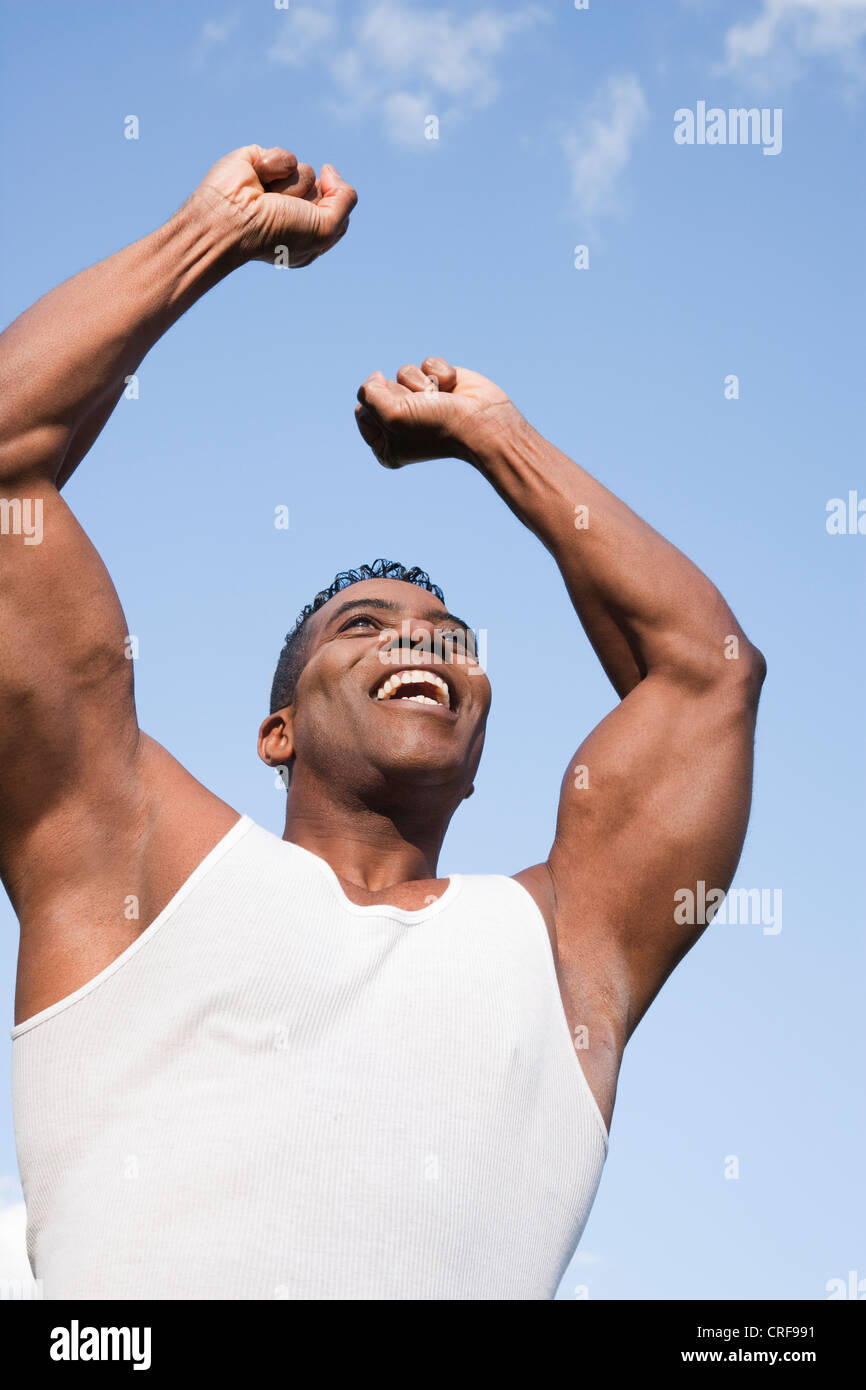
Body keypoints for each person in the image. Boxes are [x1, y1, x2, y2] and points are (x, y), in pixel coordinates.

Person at [0, 143, 765, 1300]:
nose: (423, 640)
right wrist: (212, 237)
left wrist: (498, 440)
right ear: (277, 733)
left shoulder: (565, 950)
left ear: (476, 760)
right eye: (364, 624)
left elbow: (707, 675)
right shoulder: (130, 857)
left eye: (451, 634)